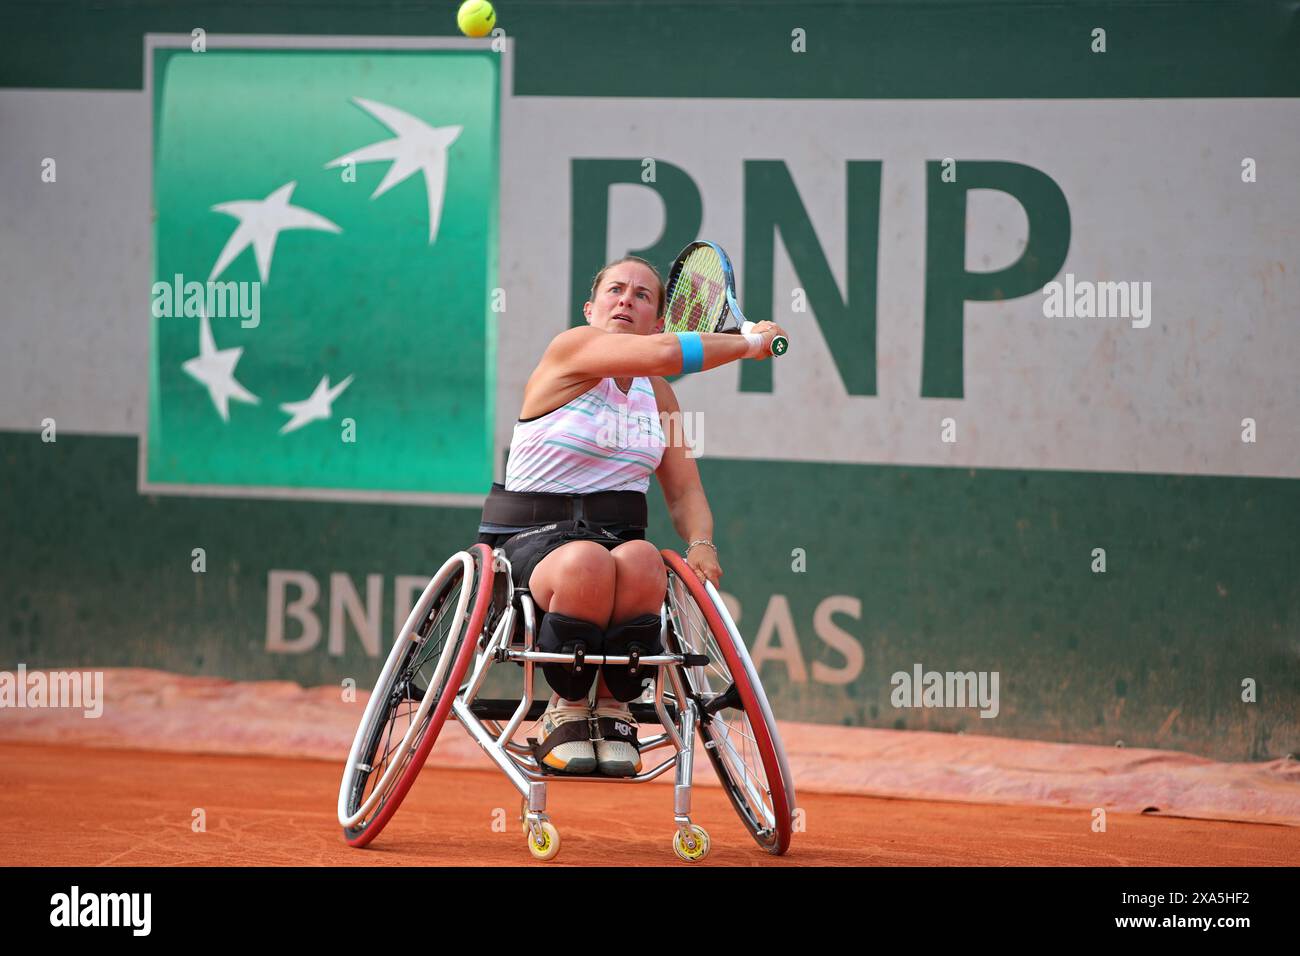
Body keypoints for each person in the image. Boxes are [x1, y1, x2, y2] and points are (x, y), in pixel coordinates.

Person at [477, 255, 787, 776]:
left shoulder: (657, 394)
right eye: (615, 290)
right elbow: (667, 353)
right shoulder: (570, 348)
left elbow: (685, 492)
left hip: (620, 544)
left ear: (658, 319)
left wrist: (702, 544)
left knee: (646, 560)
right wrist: (750, 342)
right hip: (532, 540)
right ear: (590, 308)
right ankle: (568, 709)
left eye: (643, 296)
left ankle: (616, 708)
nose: (627, 300)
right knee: (586, 565)